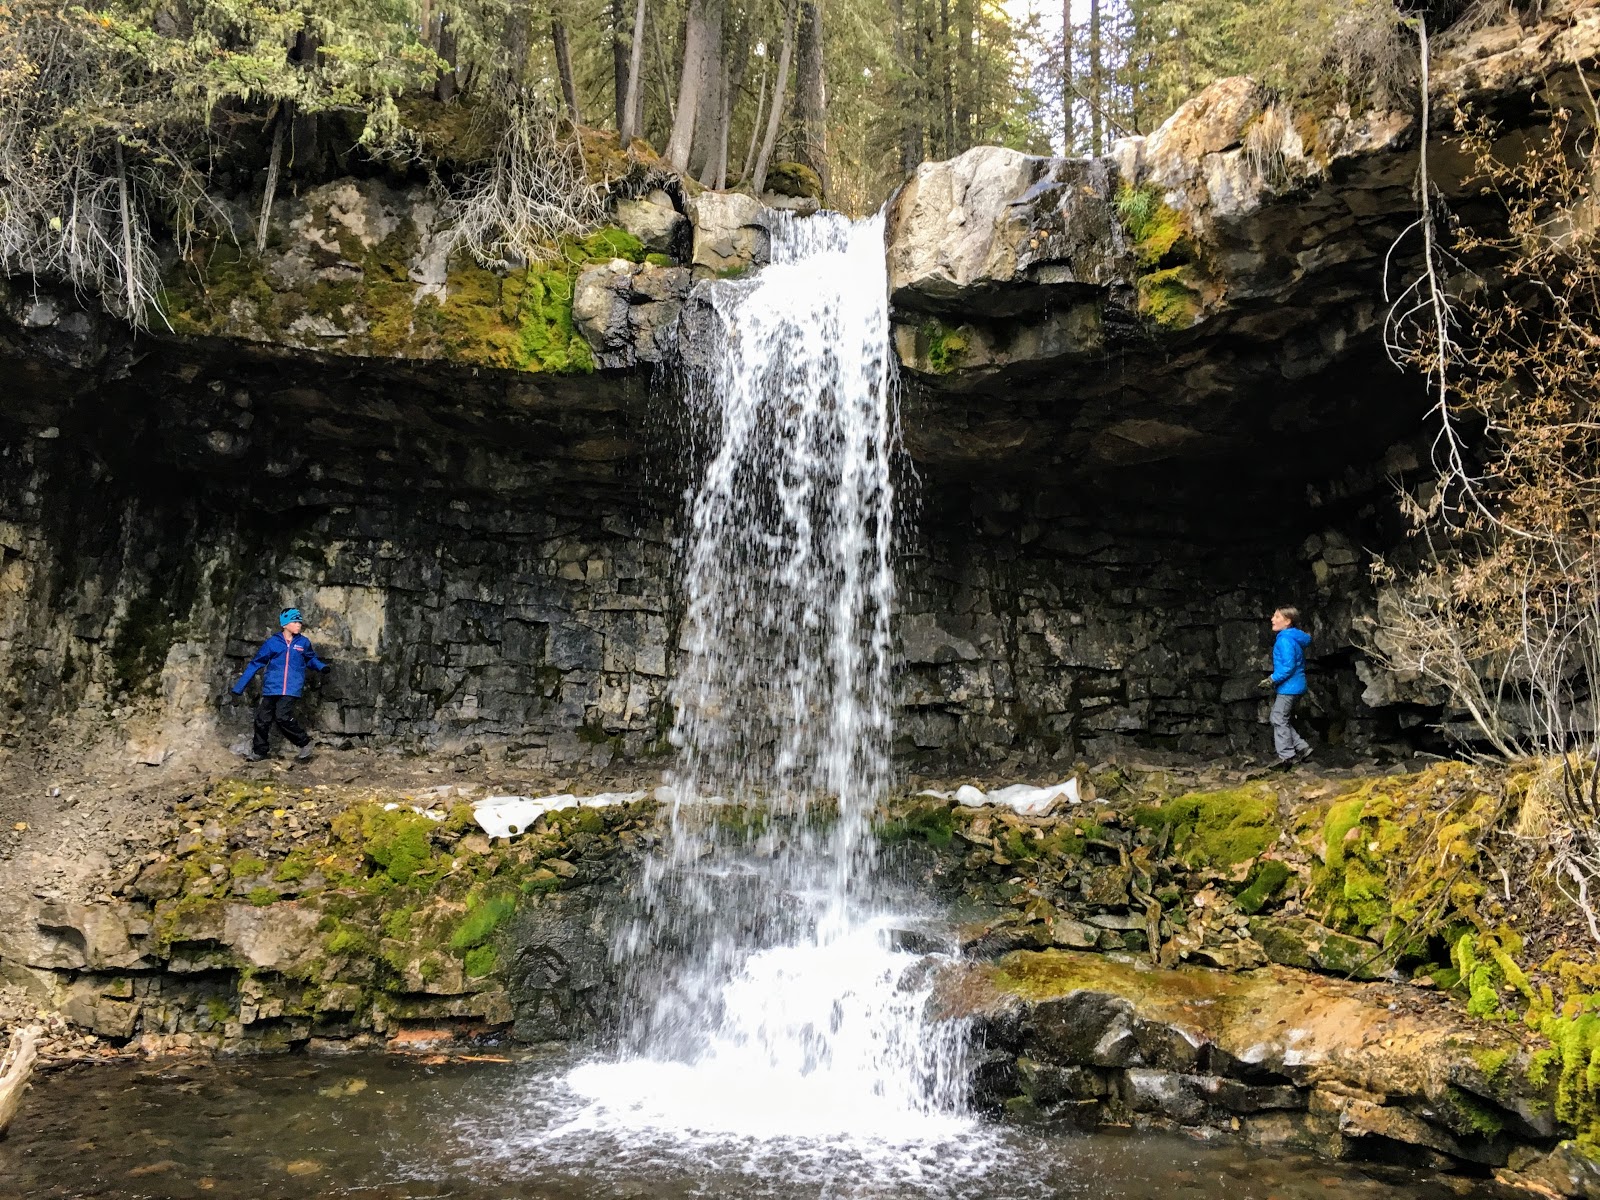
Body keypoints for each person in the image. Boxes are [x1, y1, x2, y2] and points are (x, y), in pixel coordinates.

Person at [231, 608, 329, 762]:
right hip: (272, 687)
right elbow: (257, 663)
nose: (299, 625)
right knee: (262, 718)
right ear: (285, 624)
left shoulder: (303, 642)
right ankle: (260, 751)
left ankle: (304, 742)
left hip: (291, 687)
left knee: (282, 716)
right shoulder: (272, 643)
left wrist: (321, 666)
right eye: (295, 621)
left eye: (300, 622)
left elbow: (310, 658)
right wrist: (239, 686)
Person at [1260, 606, 1312, 770]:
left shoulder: (1284, 640)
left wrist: (1272, 679)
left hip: (1289, 687)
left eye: (1276, 617)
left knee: (1278, 718)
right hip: (1294, 686)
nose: (1272, 619)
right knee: (1280, 718)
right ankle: (1302, 748)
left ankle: (1287, 756)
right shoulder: (1292, 638)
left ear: (1287, 621)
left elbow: (1288, 666)